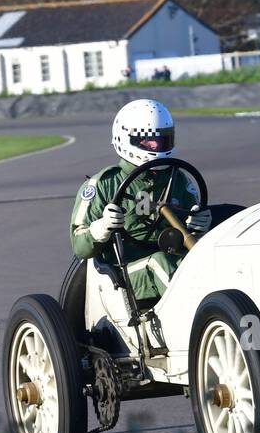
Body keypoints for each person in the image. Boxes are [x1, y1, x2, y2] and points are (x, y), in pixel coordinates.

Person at [70, 99, 210, 304]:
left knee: (209, 261)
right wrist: (101, 228)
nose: (155, 146)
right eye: (147, 140)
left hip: (174, 259)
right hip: (123, 273)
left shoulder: (178, 179)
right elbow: (79, 247)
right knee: (160, 263)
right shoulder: (103, 184)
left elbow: (192, 233)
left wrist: (199, 226)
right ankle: (198, 312)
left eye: (162, 139)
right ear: (126, 138)